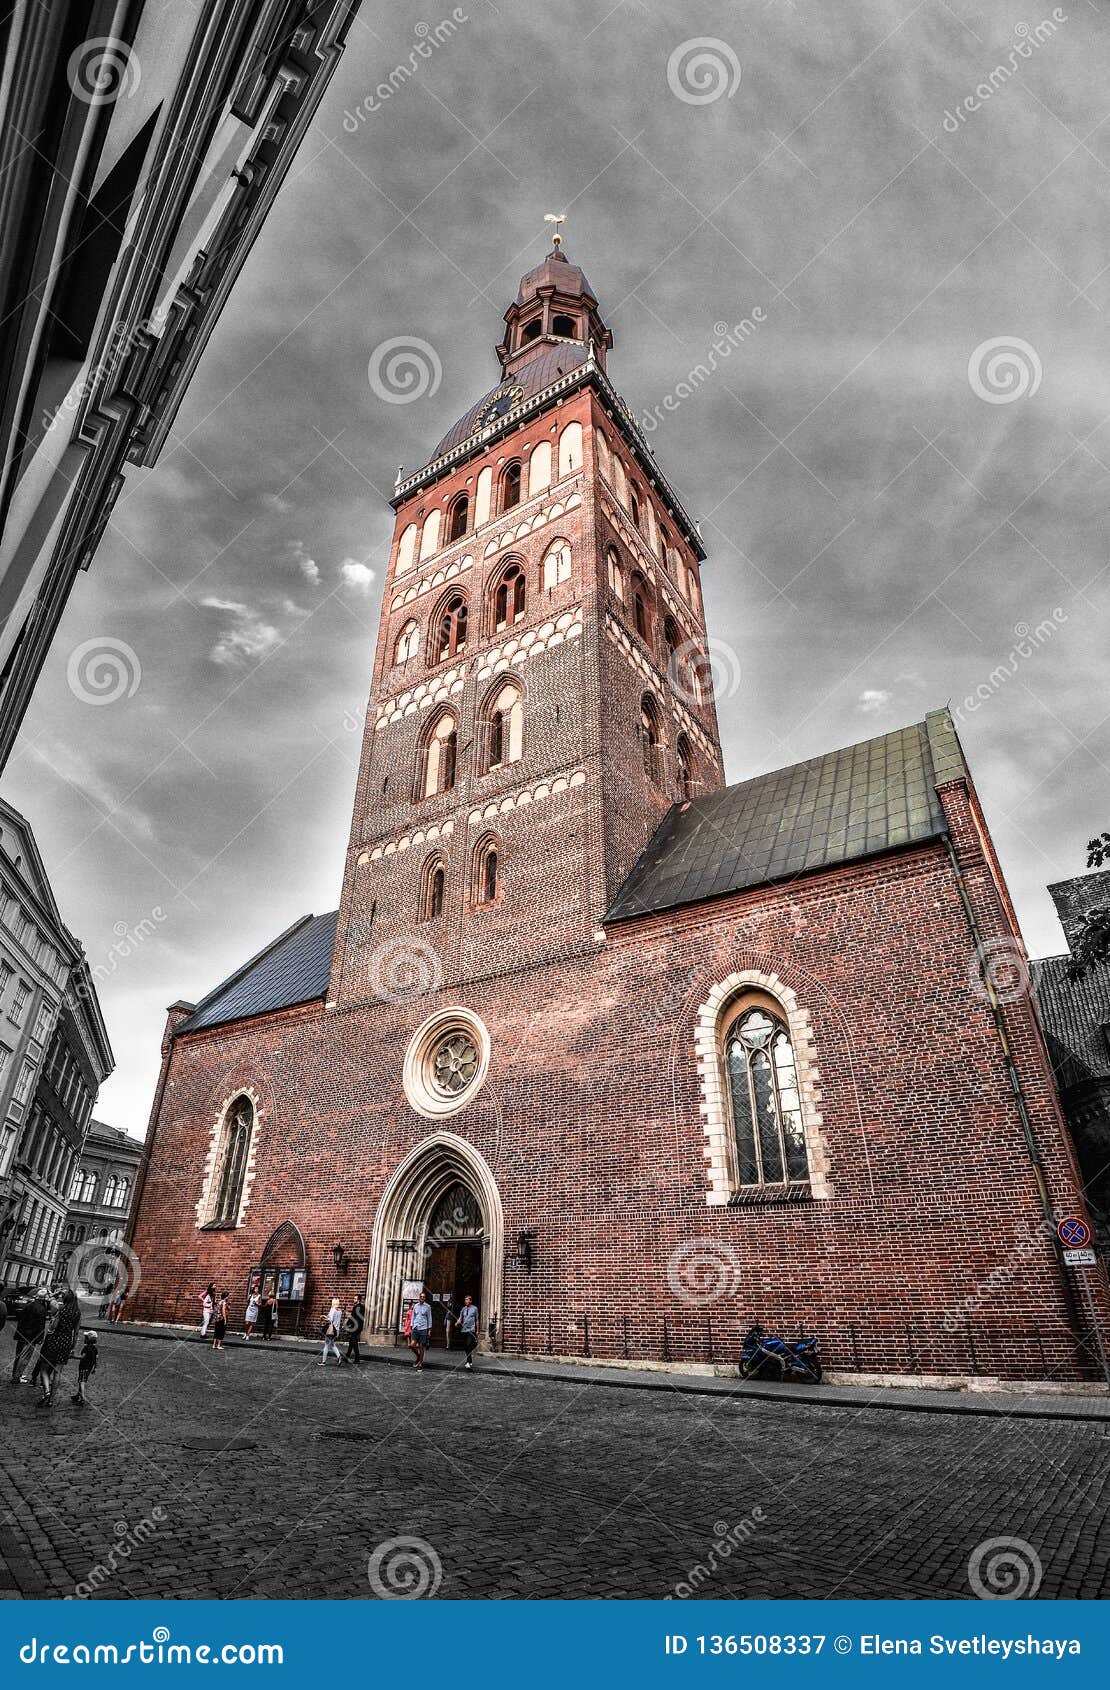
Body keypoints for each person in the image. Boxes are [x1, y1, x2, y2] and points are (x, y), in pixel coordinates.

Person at [36, 1287, 80, 1407]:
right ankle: (51, 1400)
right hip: (66, 1342)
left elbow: (49, 1300)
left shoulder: (60, 1308)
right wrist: (73, 1348)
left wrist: (56, 1293)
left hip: (53, 1340)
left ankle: (46, 1391)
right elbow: (76, 1333)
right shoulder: (77, 1313)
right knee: (57, 1372)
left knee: (44, 1368)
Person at [12, 1291, 49, 1383]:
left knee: (19, 1355)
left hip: (22, 1334)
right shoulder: (42, 1309)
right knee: (25, 1357)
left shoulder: (29, 1305)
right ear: (43, 1299)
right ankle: (17, 1377)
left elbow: (22, 1320)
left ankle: (16, 1374)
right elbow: (40, 1325)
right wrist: (40, 1338)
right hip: (31, 1336)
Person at [71, 1331, 98, 1405]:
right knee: (82, 1380)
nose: (84, 1339)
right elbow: (96, 1358)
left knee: (81, 1382)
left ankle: (82, 1398)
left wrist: (73, 1356)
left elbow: (82, 1357)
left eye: (86, 1337)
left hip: (83, 1367)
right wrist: (95, 1368)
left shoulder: (86, 1348)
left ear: (88, 1339)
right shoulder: (95, 1348)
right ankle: (78, 1395)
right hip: (89, 1367)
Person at [408, 1290, 432, 1371]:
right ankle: (418, 1356)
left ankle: (420, 1364)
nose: (422, 1298)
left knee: (421, 1347)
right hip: (415, 1328)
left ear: (425, 1298)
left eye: (423, 1297)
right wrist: (411, 1327)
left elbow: (429, 1318)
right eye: (421, 1297)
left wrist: (429, 1330)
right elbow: (413, 1317)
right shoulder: (415, 1306)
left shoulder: (428, 1307)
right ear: (419, 1298)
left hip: (423, 1329)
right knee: (411, 1345)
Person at [454, 1294, 479, 1371]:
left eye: (468, 1300)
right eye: (465, 1300)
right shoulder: (463, 1309)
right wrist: (457, 1322)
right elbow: (461, 1318)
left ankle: (468, 1362)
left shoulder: (475, 1309)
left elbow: (477, 1320)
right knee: (465, 1346)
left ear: (471, 1301)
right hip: (464, 1329)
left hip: (471, 1330)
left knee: (468, 1344)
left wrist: (477, 1330)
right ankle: (469, 1360)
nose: (466, 1301)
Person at [341, 1299, 365, 1366]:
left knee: (354, 1342)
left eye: (355, 1299)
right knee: (351, 1341)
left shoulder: (355, 1307)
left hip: (355, 1327)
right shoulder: (363, 1307)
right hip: (359, 1327)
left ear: (358, 1300)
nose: (353, 1300)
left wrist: (346, 1325)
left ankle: (357, 1359)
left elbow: (352, 1317)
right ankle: (347, 1356)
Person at [320, 1297, 343, 1365]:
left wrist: (323, 1318)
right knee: (333, 1345)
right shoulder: (340, 1311)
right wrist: (325, 1316)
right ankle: (339, 1357)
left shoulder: (333, 1309)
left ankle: (323, 1362)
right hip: (336, 1331)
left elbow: (330, 1320)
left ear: (333, 1303)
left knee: (326, 1345)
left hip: (331, 1331)